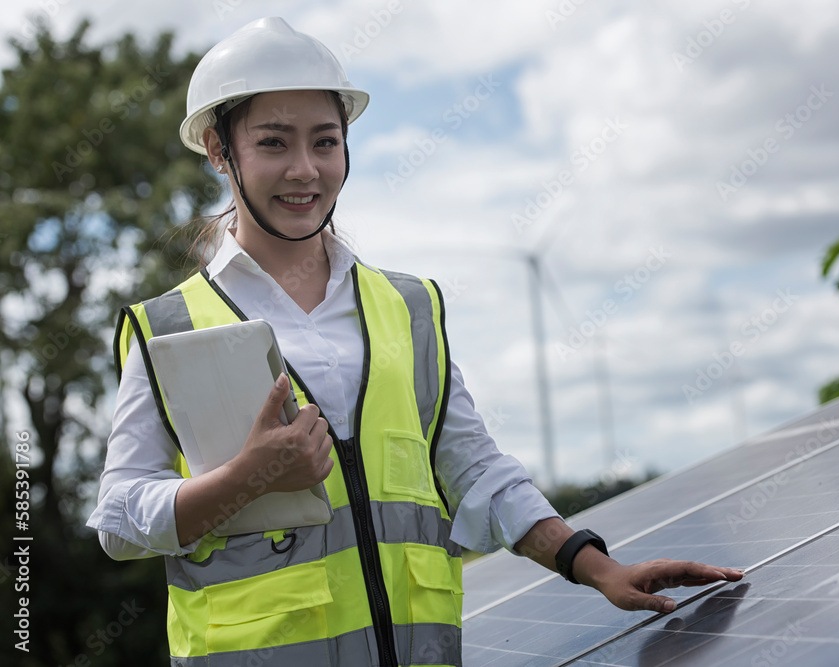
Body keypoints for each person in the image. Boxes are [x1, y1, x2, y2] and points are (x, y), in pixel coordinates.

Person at [87, 17, 743, 666]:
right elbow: (118, 520)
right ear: (218, 149)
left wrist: (594, 565)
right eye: (274, 143)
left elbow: (476, 470)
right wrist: (247, 477)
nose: (306, 170)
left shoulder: (409, 307)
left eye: (325, 141)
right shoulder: (167, 328)